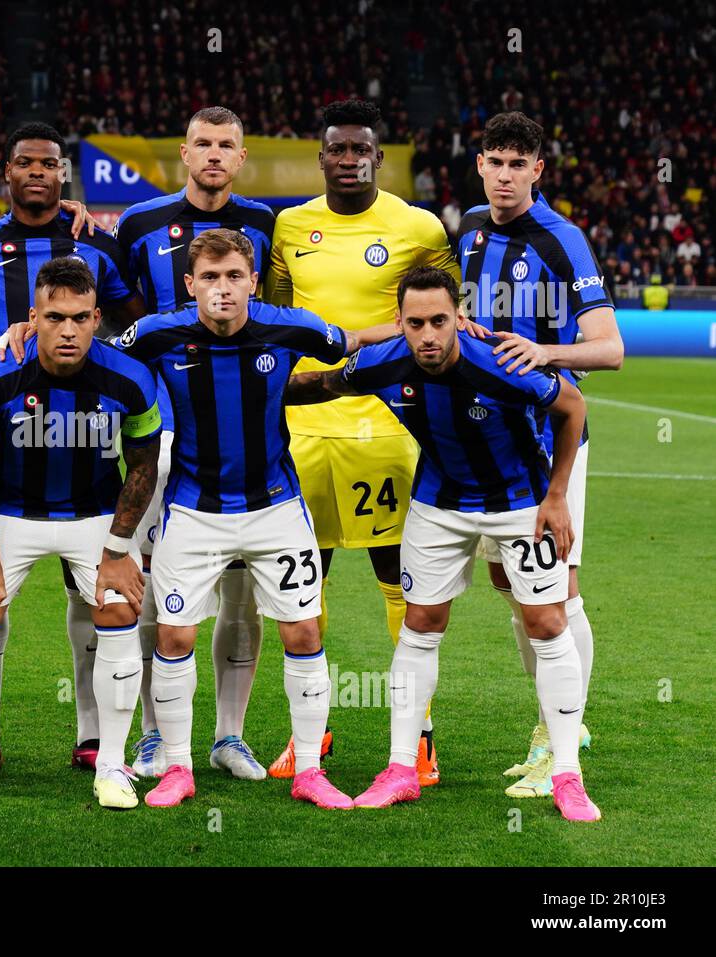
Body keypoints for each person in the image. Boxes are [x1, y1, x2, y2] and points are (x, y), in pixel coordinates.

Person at [286, 265, 600, 822]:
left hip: (519, 504)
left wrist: (557, 497)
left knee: (547, 625)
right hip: (439, 504)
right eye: (414, 323)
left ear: (460, 317)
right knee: (420, 624)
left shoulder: (502, 363)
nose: (427, 335)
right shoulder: (384, 363)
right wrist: (251, 381)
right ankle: (402, 768)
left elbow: (572, 406)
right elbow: (322, 386)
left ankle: (567, 775)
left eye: (438, 321)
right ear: (399, 324)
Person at [110, 227, 395, 809]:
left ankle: (311, 772)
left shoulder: (292, 325)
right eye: (210, 278)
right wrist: (24, 330)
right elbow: (92, 356)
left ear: (253, 281)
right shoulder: (158, 334)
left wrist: (430, 325)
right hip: (192, 508)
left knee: (305, 631)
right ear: (190, 285)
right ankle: (177, 768)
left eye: (234, 276)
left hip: (276, 507)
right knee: (173, 635)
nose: (223, 289)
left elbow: (356, 342)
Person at [263, 98, 461, 785]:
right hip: (301, 428)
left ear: (377, 156)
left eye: (361, 150)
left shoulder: (419, 227)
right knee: (299, 587)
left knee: (398, 584)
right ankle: (307, 740)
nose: (349, 160)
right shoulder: (291, 225)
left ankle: (420, 739)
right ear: (321, 158)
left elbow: (442, 316)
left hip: (385, 426)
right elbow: (280, 312)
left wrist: (359, 343)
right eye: (337, 150)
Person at [0, 121, 145, 773]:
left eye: (49, 164)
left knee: (96, 601)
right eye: (24, 162)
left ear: (64, 174)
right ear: (7, 170)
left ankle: (94, 738)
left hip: (88, 443)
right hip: (8, 435)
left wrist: (90, 339)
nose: (36, 172)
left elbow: (133, 316)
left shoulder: (96, 244)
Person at [0, 257, 161, 810]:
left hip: (94, 516)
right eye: (55, 317)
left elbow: (141, 468)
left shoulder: (130, 379)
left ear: (97, 318)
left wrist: (116, 552)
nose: (68, 331)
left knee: (118, 607)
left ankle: (112, 765)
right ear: (32, 316)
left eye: (81, 318)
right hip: (10, 514)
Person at [455, 111, 623, 798]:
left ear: (537, 172)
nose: (503, 175)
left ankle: (562, 734)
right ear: (480, 164)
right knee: (513, 589)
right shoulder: (466, 228)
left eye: (516, 164)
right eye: (494, 161)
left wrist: (547, 351)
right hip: (486, 438)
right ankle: (555, 724)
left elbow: (610, 348)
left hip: (551, 438)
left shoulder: (564, 240)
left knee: (556, 590)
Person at [114, 106, 277, 780]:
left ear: (241, 157)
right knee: (158, 589)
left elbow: (278, 307)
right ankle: (154, 733)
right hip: (161, 428)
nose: (214, 154)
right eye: (203, 144)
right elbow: (117, 307)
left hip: (243, 427)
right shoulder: (140, 223)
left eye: (227, 145)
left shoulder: (265, 225)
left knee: (239, 588)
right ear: (184, 153)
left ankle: (229, 736)